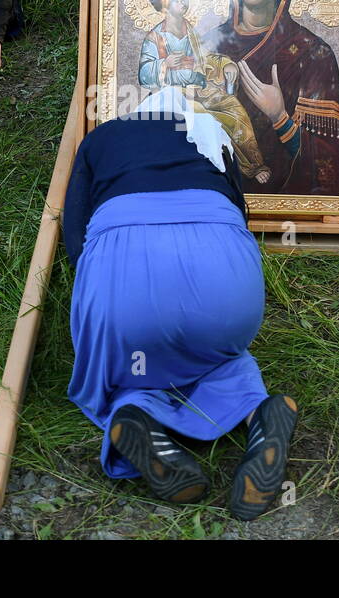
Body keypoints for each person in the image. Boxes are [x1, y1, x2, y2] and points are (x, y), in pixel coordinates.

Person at [62, 87, 300, 520]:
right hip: (224, 288)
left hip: (124, 285)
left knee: (131, 362)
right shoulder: (212, 135)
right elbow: (238, 216)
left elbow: (74, 234)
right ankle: (257, 413)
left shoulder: (100, 139)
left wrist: (103, 288)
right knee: (220, 351)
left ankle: (137, 413)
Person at [198, 0, 339, 194]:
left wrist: (279, 116)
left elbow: (324, 167)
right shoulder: (208, 44)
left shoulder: (312, 53)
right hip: (211, 188)